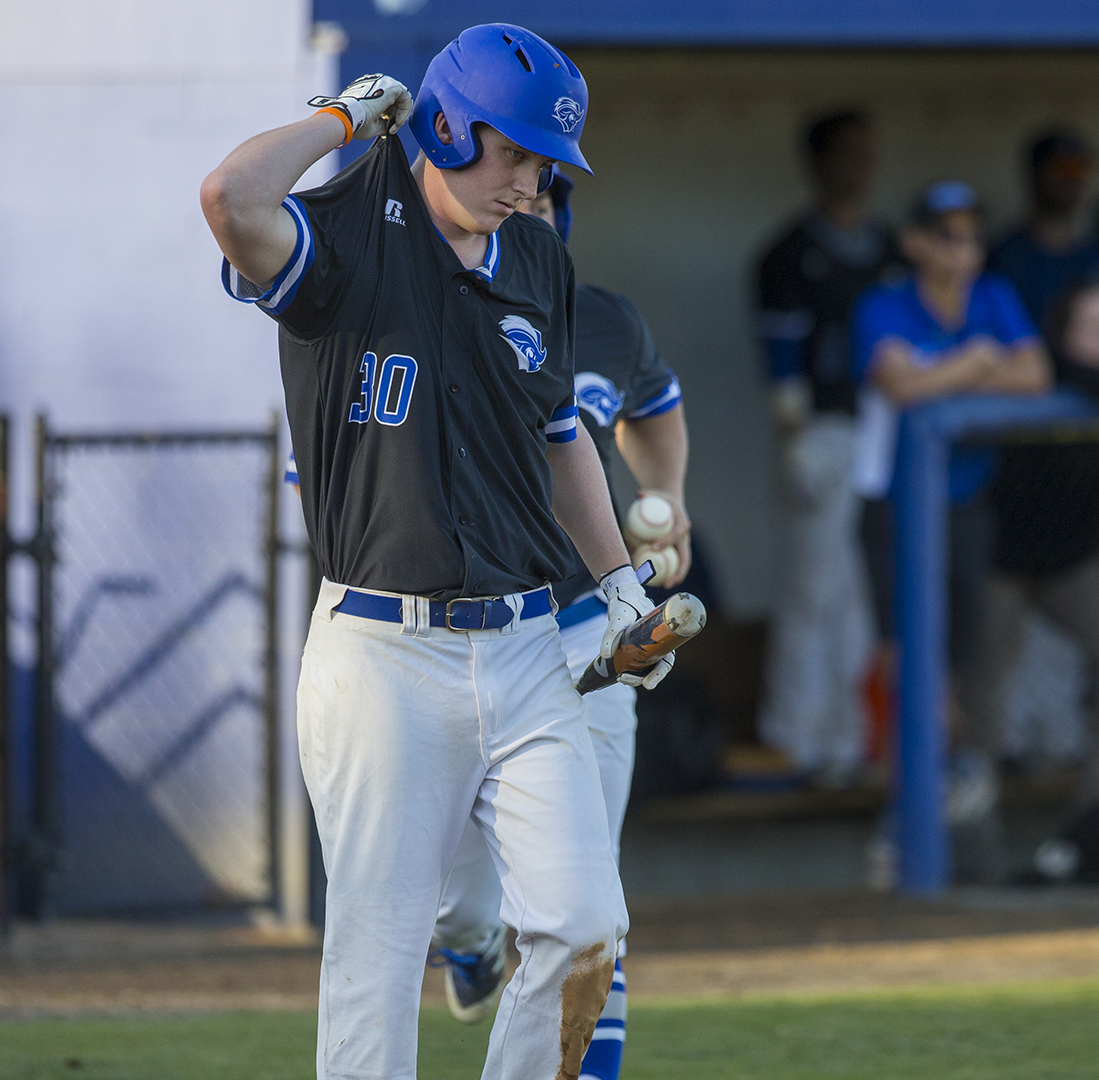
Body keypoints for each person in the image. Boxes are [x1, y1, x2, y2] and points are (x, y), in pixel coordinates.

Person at [200, 25, 668, 1078]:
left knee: (585, 927)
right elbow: (230, 197)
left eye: (545, 163)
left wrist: (620, 589)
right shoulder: (342, 231)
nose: (532, 183)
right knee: (376, 964)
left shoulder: (538, 256)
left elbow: (564, 439)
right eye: (514, 153)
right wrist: (343, 119)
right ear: (448, 127)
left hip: (527, 643)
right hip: (382, 652)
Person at [429, 167, 690, 1080]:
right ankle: (469, 944)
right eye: (505, 189)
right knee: (462, 900)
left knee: (592, 902)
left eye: (538, 200)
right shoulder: (420, 306)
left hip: (583, 625)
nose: (518, 209)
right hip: (455, 632)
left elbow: (655, 404)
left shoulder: (603, 318)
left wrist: (669, 496)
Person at [851, 180, 1051, 832]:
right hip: (893, 506)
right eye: (946, 235)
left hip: (965, 502)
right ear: (915, 242)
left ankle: (946, 803)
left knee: (963, 664)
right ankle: (904, 811)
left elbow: (1035, 375)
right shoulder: (883, 304)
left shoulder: (993, 295)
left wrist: (942, 372)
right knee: (905, 659)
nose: (962, 248)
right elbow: (899, 386)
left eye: (972, 236)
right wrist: (976, 362)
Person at [966, 281, 1099, 825]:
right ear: (1063, 337)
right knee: (981, 689)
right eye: (1095, 329)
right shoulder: (1038, 373)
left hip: (1072, 564)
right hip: (1000, 562)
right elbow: (1075, 374)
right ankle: (970, 827)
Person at [754, 110, 907, 787]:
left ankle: (851, 740)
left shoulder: (890, 248)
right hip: (821, 432)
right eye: (845, 153)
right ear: (815, 162)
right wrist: (794, 432)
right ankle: (795, 735)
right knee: (814, 589)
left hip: (884, 432)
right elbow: (781, 359)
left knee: (866, 595)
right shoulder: (789, 251)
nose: (858, 167)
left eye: (866, 153)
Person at [987, 130, 1099, 327]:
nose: (1073, 178)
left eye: (1082, 167)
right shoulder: (1005, 258)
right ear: (1035, 175)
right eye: (1063, 168)